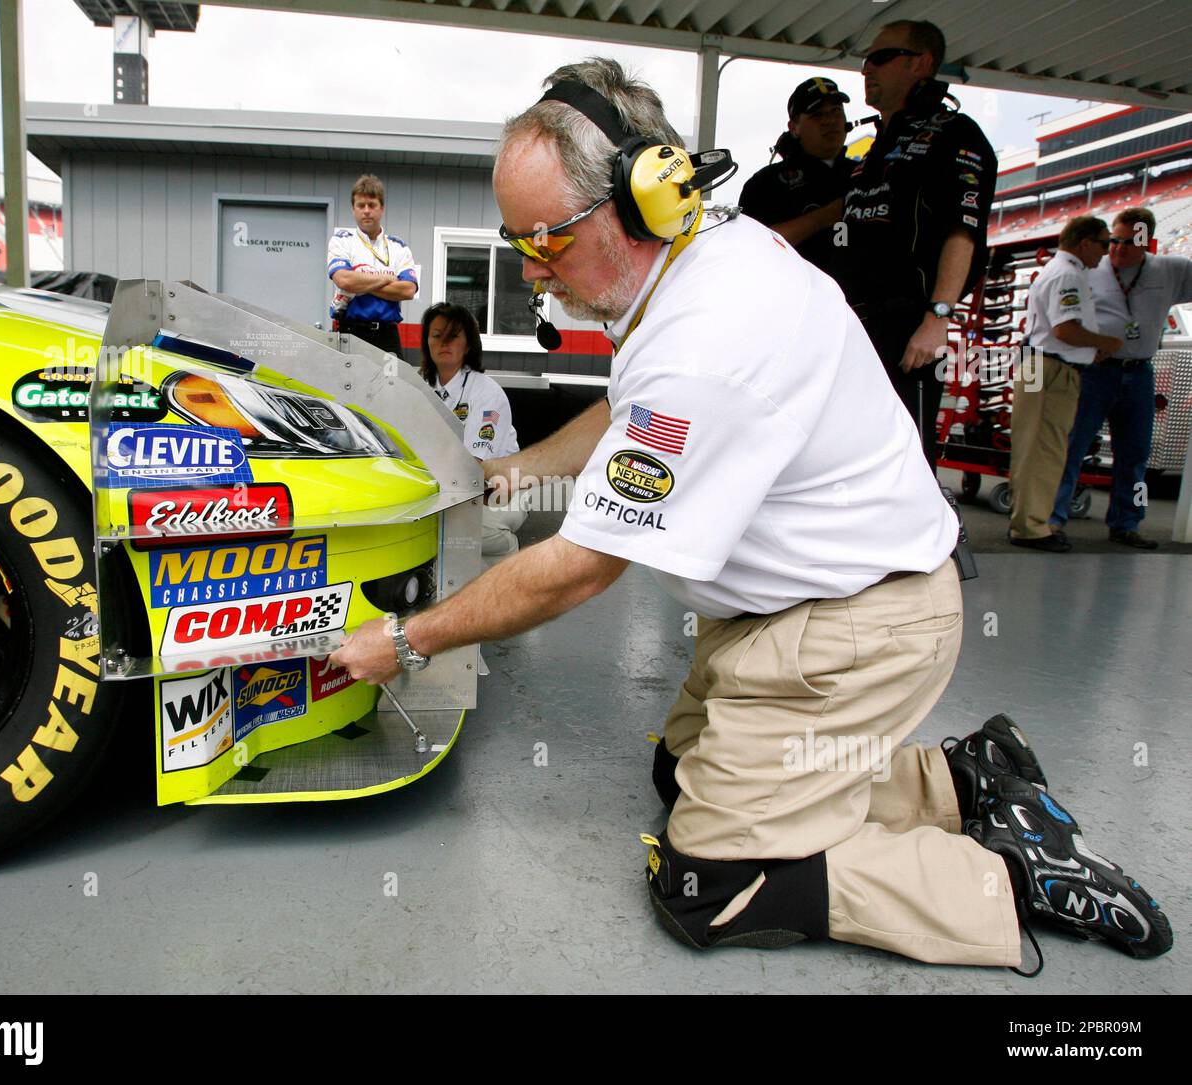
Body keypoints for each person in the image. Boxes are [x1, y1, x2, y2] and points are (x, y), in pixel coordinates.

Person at [329, 59, 1170, 970]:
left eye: (547, 241)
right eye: (518, 241)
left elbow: (582, 564)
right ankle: (971, 779)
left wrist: (408, 640)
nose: (533, 268)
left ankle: (1010, 878)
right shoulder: (703, 252)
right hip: (798, 606)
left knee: (707, 879)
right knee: (676, 770)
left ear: (640, 200)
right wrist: (515, 470)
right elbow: (631, 408)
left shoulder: (705, 336)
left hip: (861, 624)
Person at [838, 20, 997, 471]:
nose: (868, 67)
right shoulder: (870, 149)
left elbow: (962, 231)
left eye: (883, 57)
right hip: (855, 325)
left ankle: (919, 540)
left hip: (909, 328)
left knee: (903, 458)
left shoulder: (954, 133)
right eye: (867, 59)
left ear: (922, 64)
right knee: (850, 452)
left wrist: (937, 318)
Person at [1050, 207, 1192, 549]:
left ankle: (1128, 523)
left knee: (1136, 454)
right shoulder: (1088, 269)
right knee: (1071, 447)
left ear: (1147, 241)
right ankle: (1052, 519)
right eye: (1113, 241)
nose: (1118, 249)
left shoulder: (1172, 270)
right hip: (1095, 372)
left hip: (1140, 373)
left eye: (1130, 242)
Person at [1011, 216, 1122, 552]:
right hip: (1051, 369)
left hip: (1041, 364)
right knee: (1044, 449)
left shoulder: (1061, 271)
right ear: (1084, 242)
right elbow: (1065, 330)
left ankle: (1030, 521)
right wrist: (1105, 343)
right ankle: (1031, 528)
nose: (1107, 252)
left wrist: (1090, 348)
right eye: (1104, 244)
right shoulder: (1068, 274)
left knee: (1035, 448)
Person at [419, 301, 527, 557]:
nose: (444, 343)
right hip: (442, 489)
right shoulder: (416, 387)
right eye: (436, 336)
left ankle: (507, 553)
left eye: (453, 336)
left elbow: (474, 466)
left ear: (467, 345)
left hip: (498, 492)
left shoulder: (486, 392)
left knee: (457, 530)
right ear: (427, 343)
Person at [738, 77, 855, 276]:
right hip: (793, 297)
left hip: (859, 300)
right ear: (794, 127)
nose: (830, 121)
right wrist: (823, 217)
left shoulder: (866, 172)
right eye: (817, 115)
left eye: (836, 111)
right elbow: (750, 247)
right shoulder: (766, 183)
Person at [327, 174, 417, 355]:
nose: (366, 210)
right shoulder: (342, 241)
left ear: (381, 208)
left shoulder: (398, 247)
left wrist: (360, 283)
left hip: (388, 334)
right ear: (353, 209)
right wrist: (385, 278)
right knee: (350, 384)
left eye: (372, 205)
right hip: (351, 332)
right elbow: (344, 280)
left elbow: (407, 290)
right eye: (361, 205)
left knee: (392, 383)